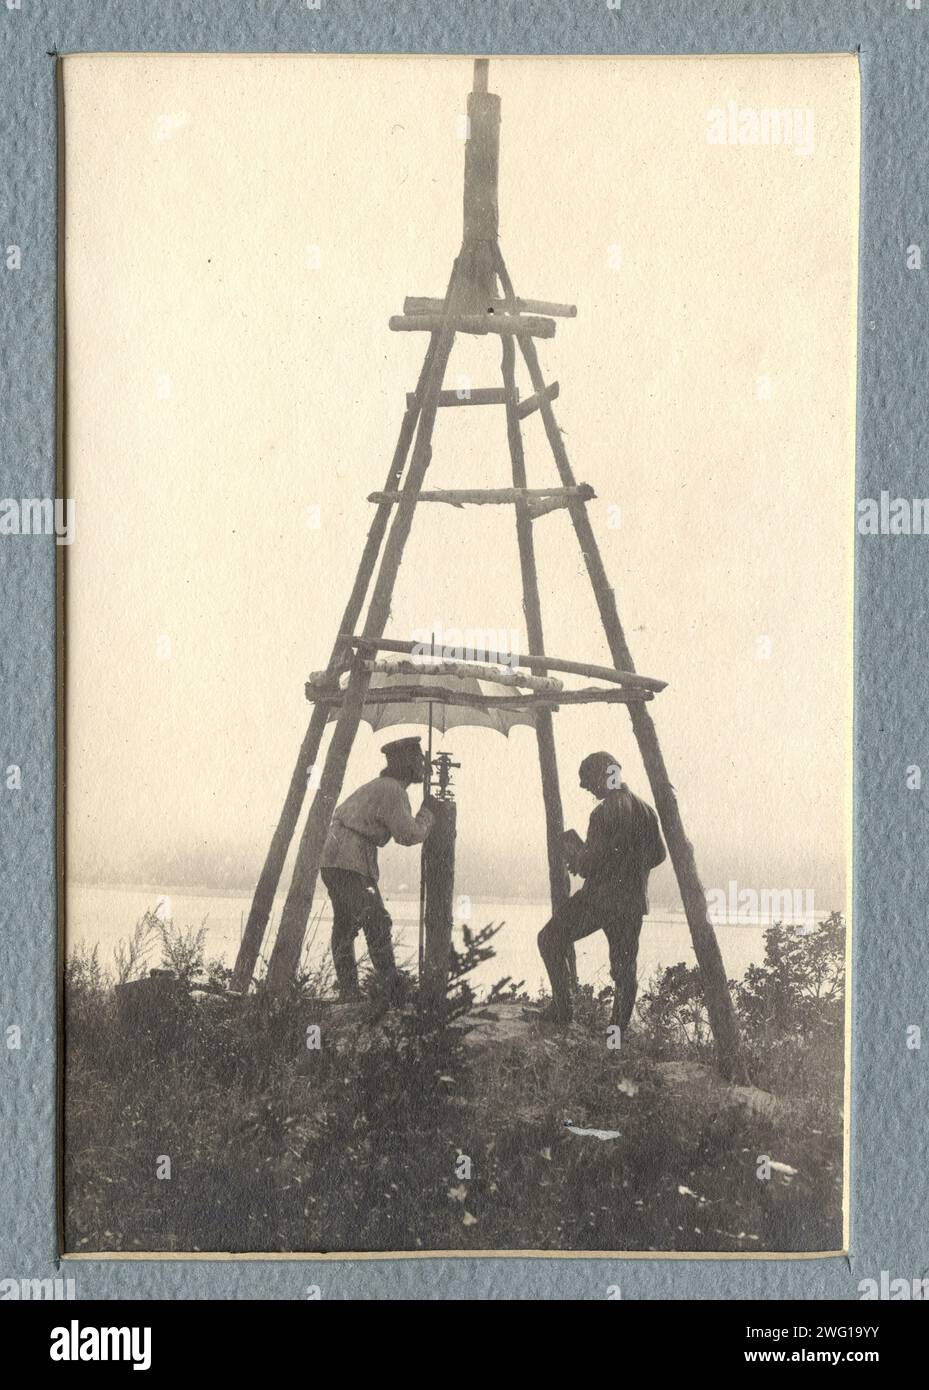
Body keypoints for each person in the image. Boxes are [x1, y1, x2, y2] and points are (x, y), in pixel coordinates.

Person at [537, 751, 666, 1028]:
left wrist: (576, 856)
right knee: (624, 971)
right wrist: (632, 869)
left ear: (606, 774)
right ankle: (615, 1040)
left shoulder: (603, 813)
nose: (587, 788)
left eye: (589, 781)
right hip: (631, 903)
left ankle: (562, 1010)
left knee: (549, 939)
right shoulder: (647, 810)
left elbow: (588, 866)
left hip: (599, 901)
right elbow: (659, 855)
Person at [320, 736, 435, 1000]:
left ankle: (350, 992)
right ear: (406, 765)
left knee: (346, 923)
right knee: (376, 920)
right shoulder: (393, 790)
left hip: (336, 857)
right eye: (418, 760)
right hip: (349, 858)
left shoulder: (381, 786)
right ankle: (390, 990)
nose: (422, 765)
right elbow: (407, 835)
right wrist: (427, 815)